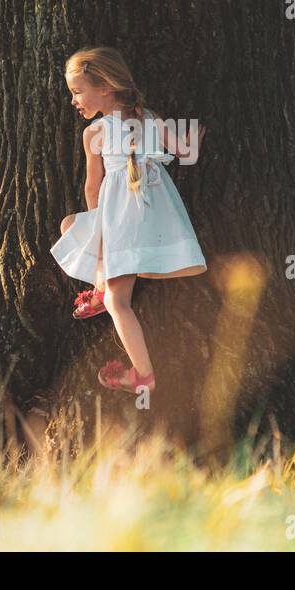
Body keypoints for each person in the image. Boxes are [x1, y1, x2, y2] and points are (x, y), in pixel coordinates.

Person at [51, 46, 207, 395]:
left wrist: (99, 228)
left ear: (104, 87)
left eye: (78, 91)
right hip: (152, 218)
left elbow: (93, 186)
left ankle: (143, 375)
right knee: (70, 227)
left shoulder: (94, 133)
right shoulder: (148, 117)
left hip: (121, 221)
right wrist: (196, 135)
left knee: (115, 302)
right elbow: (184, 152)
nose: (74, 100)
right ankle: (101, 286)